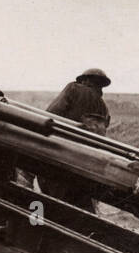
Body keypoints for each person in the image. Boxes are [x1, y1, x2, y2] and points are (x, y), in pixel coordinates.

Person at [38, 68, 111, 211]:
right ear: (101, 85)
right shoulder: (104, 107)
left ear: (85, 80)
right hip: (88, 162)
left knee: (55, 200)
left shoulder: (73, 89)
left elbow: (51, 114)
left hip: (61, 154)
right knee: (80, 204)